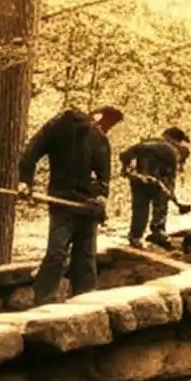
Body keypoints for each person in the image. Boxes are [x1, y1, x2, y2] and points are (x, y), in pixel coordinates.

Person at [17, 105, 122, 305]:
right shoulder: (55, 129)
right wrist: (25, 182)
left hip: (87, 204)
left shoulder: (96, 137)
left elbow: (104, 176)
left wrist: (101, 197)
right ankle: (44, 299)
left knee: (85, 255)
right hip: (62, 200)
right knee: (58, 251)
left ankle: (85, 299)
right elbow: (30, 155)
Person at [119, 127, 191, 249]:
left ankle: (135, 236)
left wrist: (126, 169)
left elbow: (124, 154)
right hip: (156, 182)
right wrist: (173, 197)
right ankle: (158, 231)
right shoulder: (172, 151)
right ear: (176, 141)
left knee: (140, 208)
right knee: (161, 204)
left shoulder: (146, 142)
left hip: (139, 178)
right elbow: (170, 181)